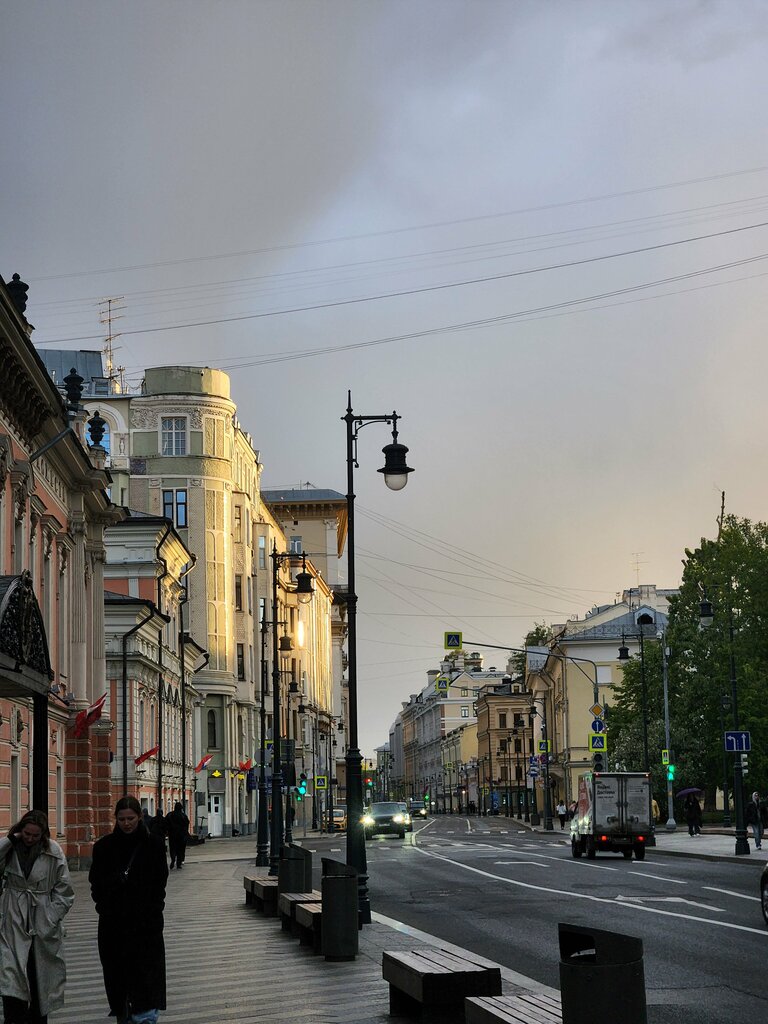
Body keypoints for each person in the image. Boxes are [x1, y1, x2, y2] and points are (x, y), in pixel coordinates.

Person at [89, 795, 169, 1024]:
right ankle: (123, 1015)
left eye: (131, 818)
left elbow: (160, 883)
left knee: (146, 977)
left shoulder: (153, 844)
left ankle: (145, 1018)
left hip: (146, 925)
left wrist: (154, 912)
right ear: (116, 819)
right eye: (122, 819)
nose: (126, 823)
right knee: (118, 977)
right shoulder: (104, 847)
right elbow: (95, 882)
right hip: (113, 925)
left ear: (140, 817)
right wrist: (103, 906)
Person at [0, 810, 74, 1024]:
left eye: (35, 835)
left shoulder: (54, 851)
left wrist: (51, 916)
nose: (30, 839)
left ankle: (38, 1017)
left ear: (43, 834)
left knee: (39, 974)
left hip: (42, 919)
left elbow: (65, 890)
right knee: (11, 971)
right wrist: (9, 840)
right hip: (13, 917)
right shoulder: (10, 848)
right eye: (26, 833)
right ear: (19, 830)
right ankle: (14, 1017)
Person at [165, 802, 189, 870]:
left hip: (172, 835)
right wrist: (185, 833)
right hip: (181, 836)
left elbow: (165, 823)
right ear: (181, 808)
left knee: (172, 848)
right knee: (180, 850)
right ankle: (178, 864)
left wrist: (167, 831)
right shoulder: (183, 816)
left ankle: (173, 859)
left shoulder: (170, 815)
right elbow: (187, 824)